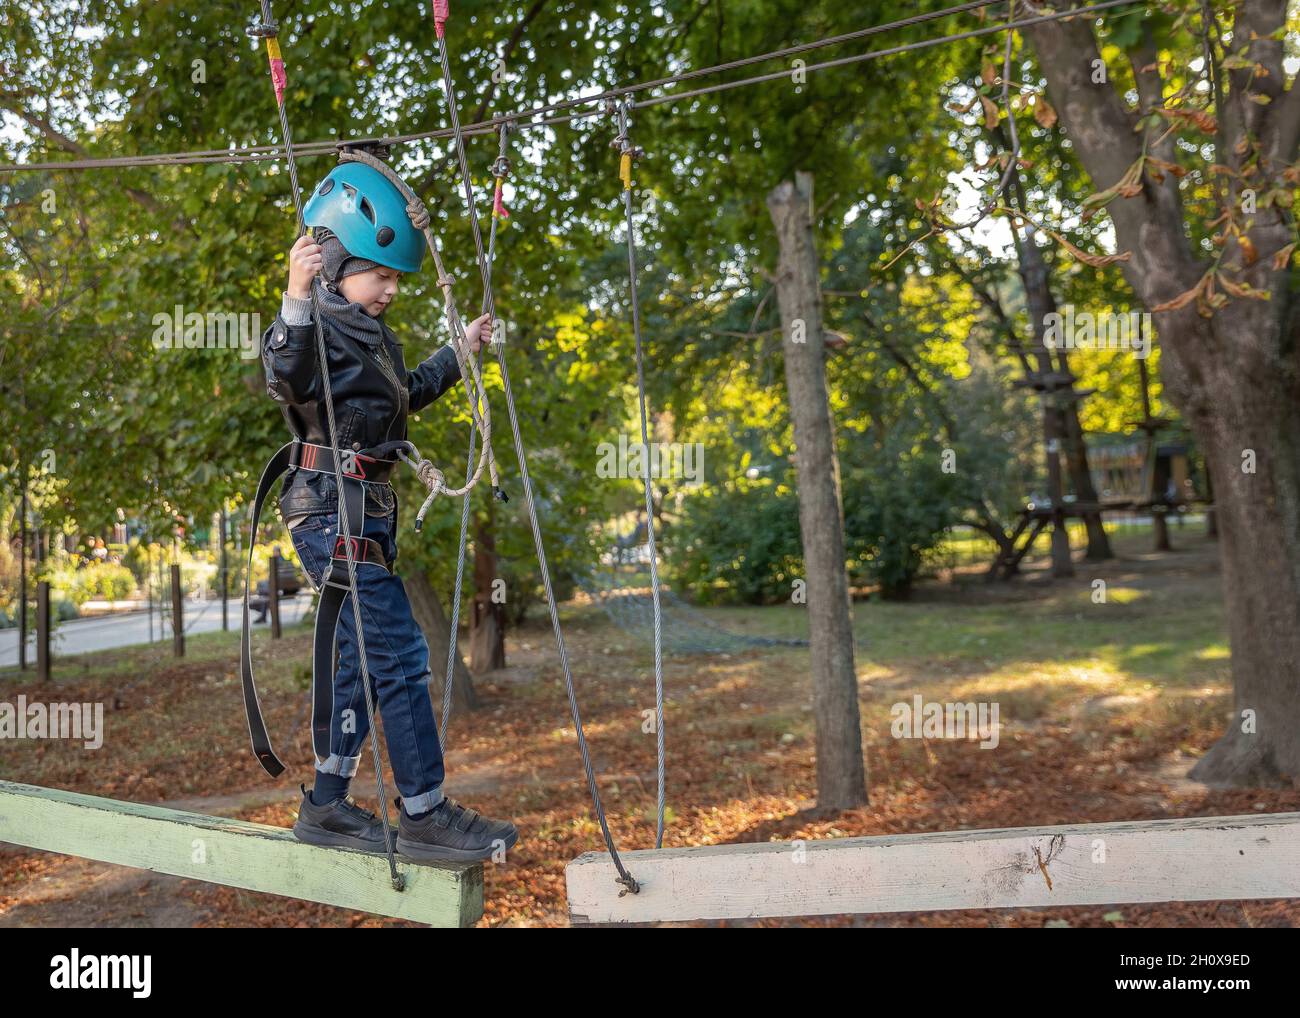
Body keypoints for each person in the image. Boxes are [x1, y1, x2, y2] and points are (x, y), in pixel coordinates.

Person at [262, 160, 517, 862]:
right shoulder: (314, 329)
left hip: (366, 513)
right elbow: (283, 374)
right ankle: (426, 812)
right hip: (326, 513)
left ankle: (327, 805)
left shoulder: (373, 338)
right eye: (382, 273)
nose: (392, 289)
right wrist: (293, 293)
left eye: (398, 277)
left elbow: (407, 392)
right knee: (402, 653)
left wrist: (461, 349)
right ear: (336, 261)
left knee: (359, 661)